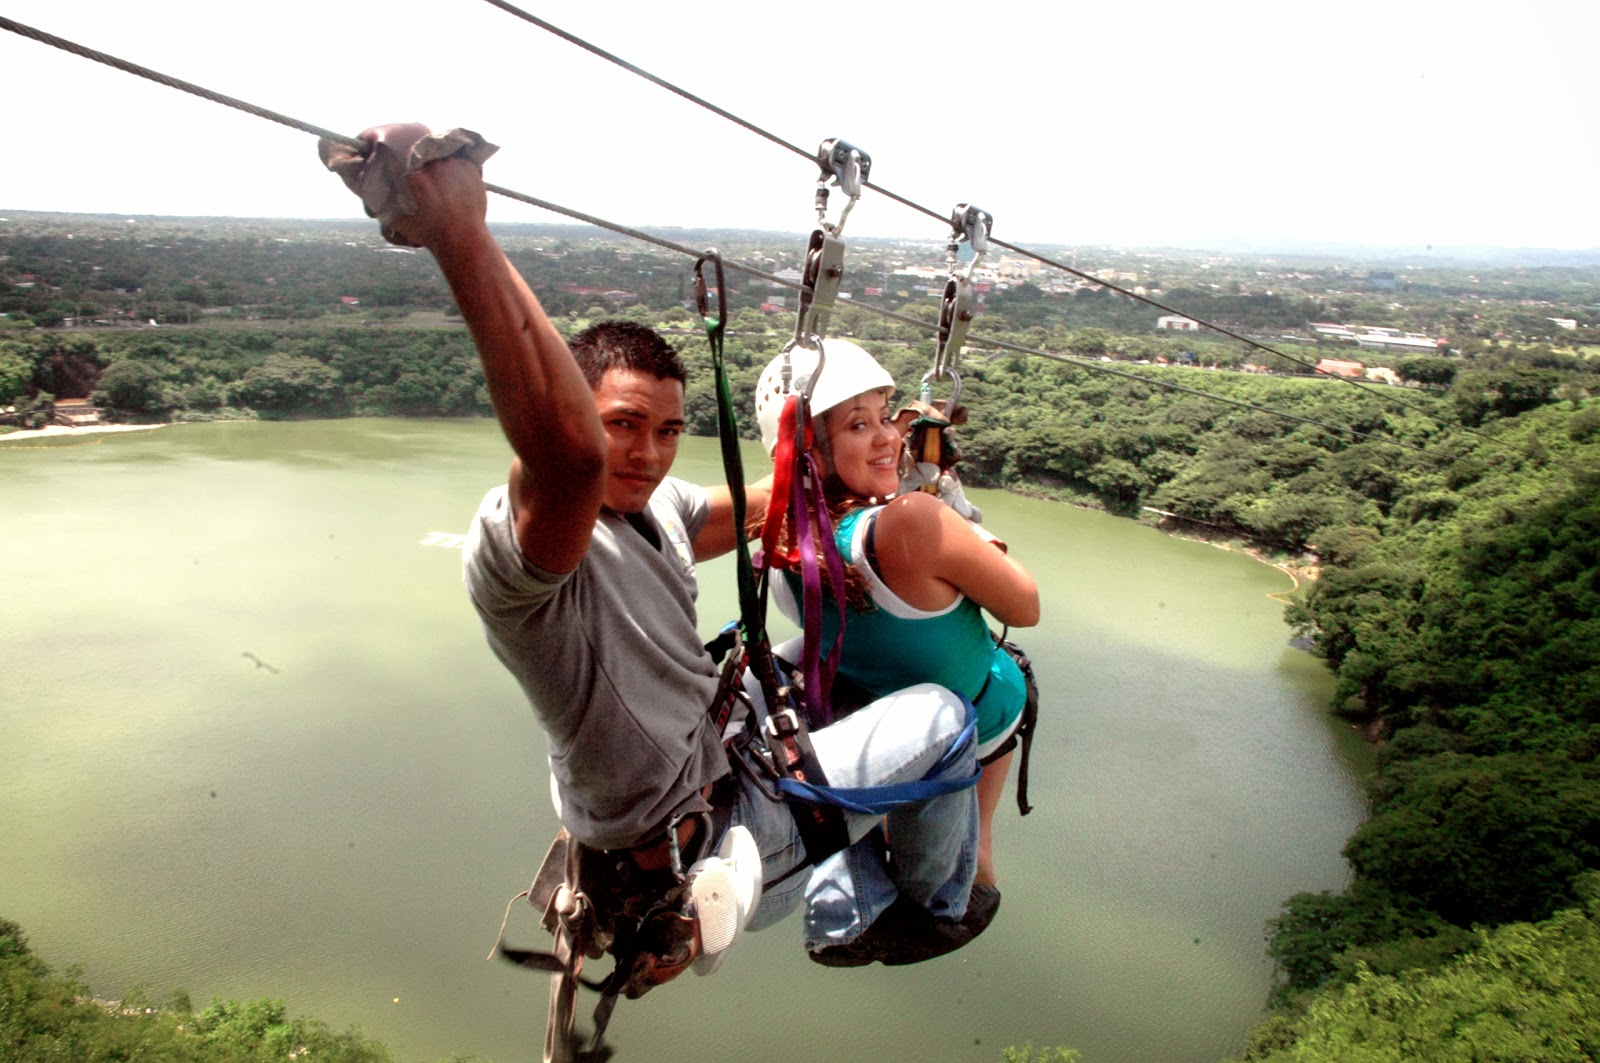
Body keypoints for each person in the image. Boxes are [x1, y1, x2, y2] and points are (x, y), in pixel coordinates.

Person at [320, 124, 994, 972]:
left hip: (724, 754)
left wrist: (864, 451)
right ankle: (899, 908)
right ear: (580, 427)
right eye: (623, 427)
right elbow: (566, 456)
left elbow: (760, 506)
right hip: (707, 844)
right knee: (943, 717)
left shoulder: (651, 506)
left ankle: (841, 874)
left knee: (828, 654)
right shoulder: (528, 558)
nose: (645, 454)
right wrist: (461, 235)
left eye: (668, 430)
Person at [756, 339, 1040, 887]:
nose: (890, 437)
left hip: (873, 713)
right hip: (975, 718)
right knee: (1012, 681)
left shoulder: (779, 542)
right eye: (858, 425)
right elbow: (1024, 605)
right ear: (809, 450)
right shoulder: (913, 519)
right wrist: (954, 520)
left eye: (887, 418)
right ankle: (974, 861)